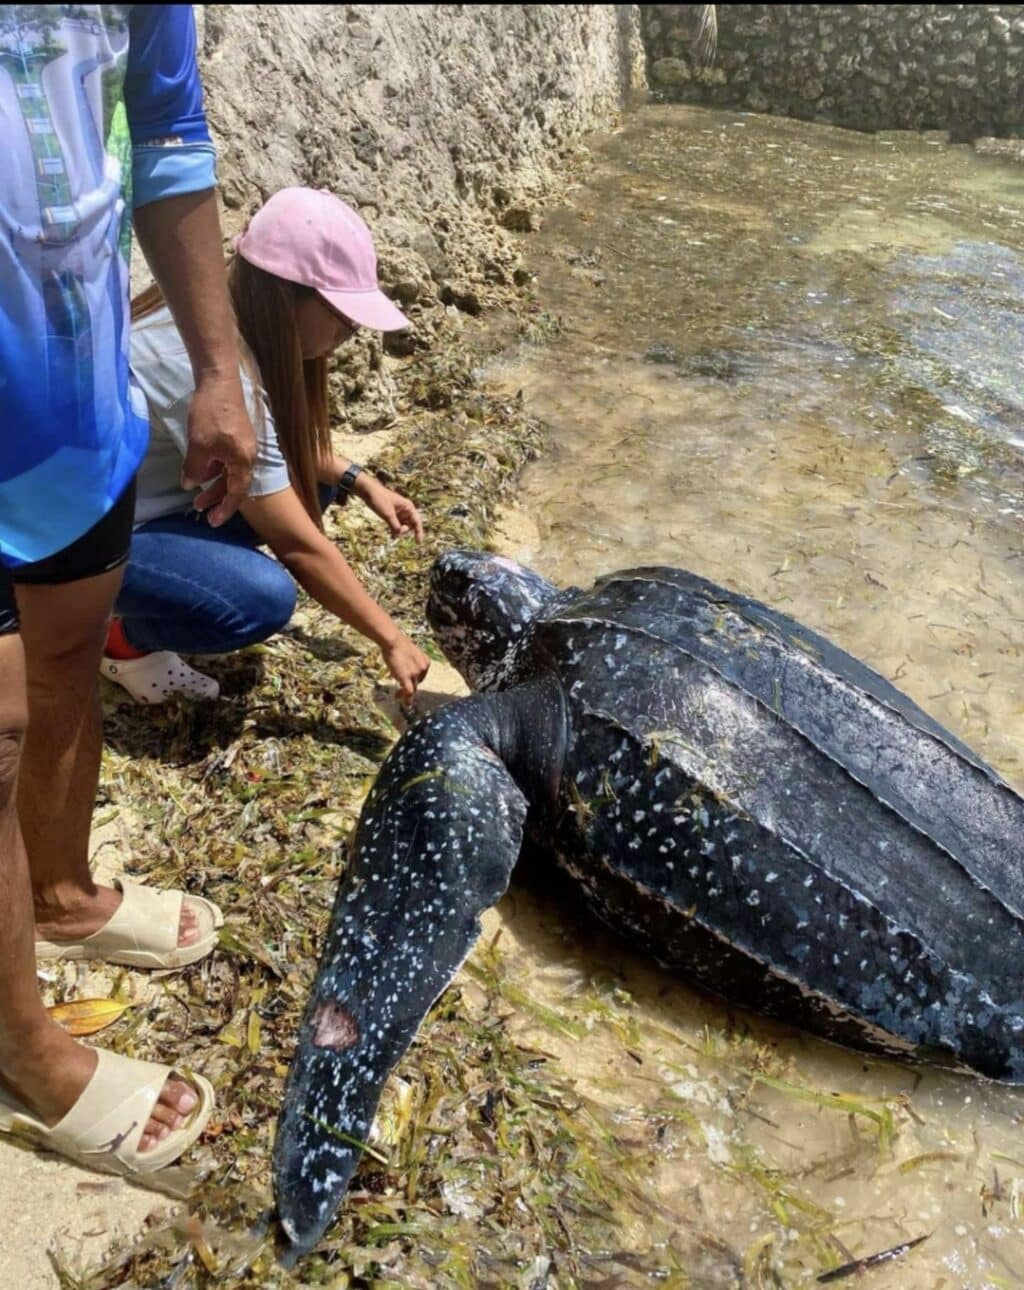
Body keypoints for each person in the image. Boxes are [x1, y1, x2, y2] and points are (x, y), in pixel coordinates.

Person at [0, 5, 256, 1174]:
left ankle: (59, 891)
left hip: (81, 406)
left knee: (68, 658)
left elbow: (168, 133)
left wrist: (216, 370)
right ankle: (25, 1049)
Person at [100, 188, 431, 706]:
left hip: (149, 504)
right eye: (343, 319)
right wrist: (391, 639)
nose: (352, 332)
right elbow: (299, 549)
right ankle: (121, 641)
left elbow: (277, 450)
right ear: (286, 298)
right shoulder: (206, 368)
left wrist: (360, 482)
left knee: (314, 488)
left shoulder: (212, 311)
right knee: (261, 598)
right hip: (95, 534)